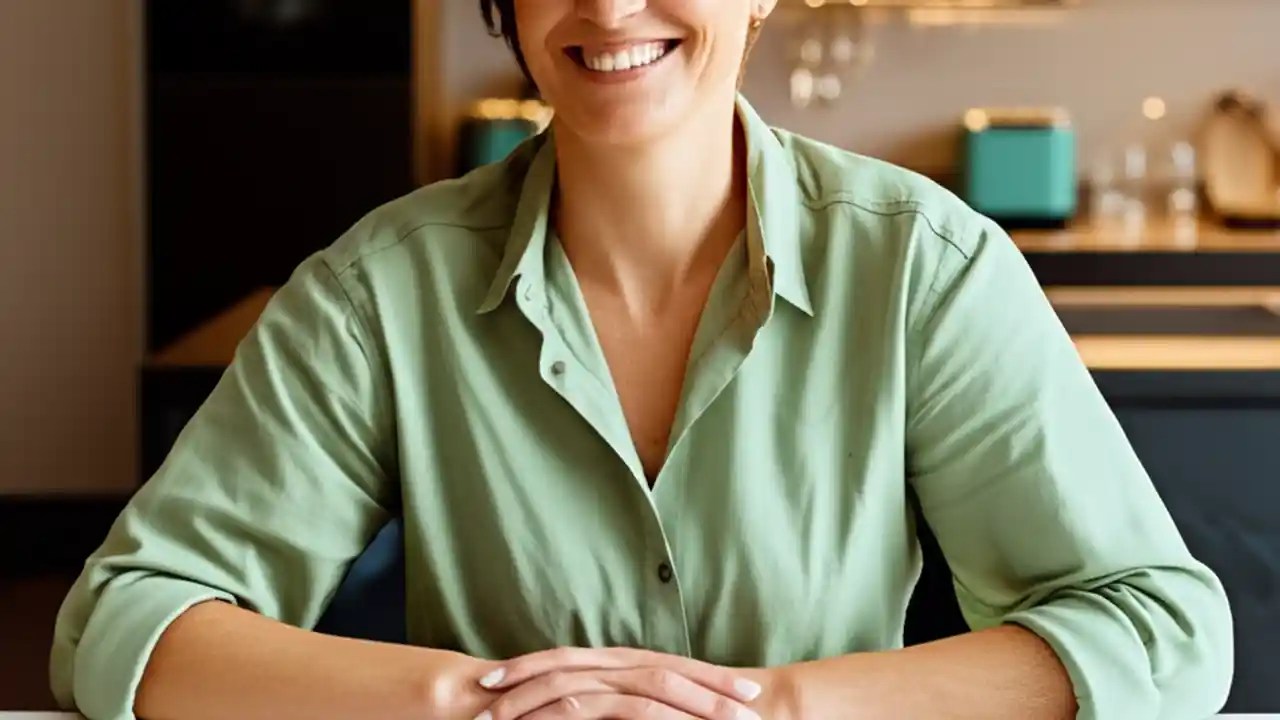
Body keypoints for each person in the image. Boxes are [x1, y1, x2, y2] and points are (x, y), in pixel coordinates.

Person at [51, 1, 1233, 718]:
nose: (609, 8)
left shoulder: (924, 266)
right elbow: (127, 620)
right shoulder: (379, 291)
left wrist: (767, 709)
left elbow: (1157, 631)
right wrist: (488, 704)